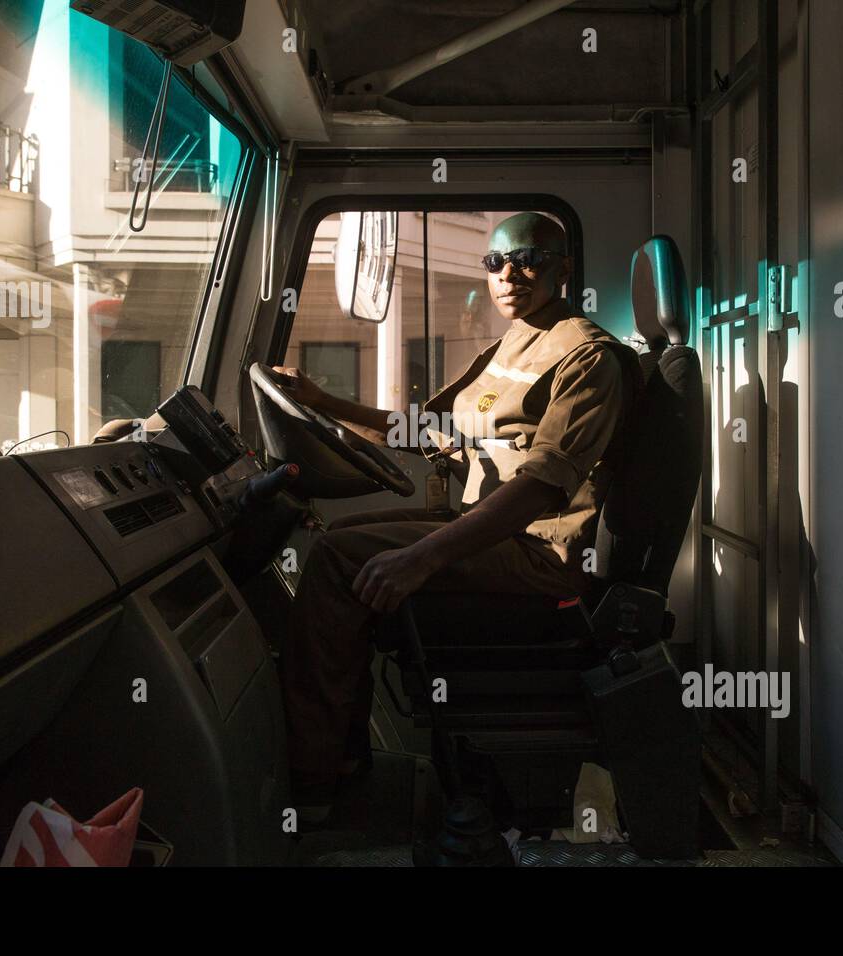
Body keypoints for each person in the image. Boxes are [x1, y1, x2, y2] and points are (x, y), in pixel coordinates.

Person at [274, 212, 642, 821]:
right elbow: (430, 430)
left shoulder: (587, 358)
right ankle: (345, 756)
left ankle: (313, 782)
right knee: (340, 537)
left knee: (340, 560)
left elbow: (538, 489)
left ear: (563, 268)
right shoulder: (515, 341)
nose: (510, 274)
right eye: (495, 262)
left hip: (540, 555)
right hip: (496, 532)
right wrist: (320, 402)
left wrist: (420, 559)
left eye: (529, 259)